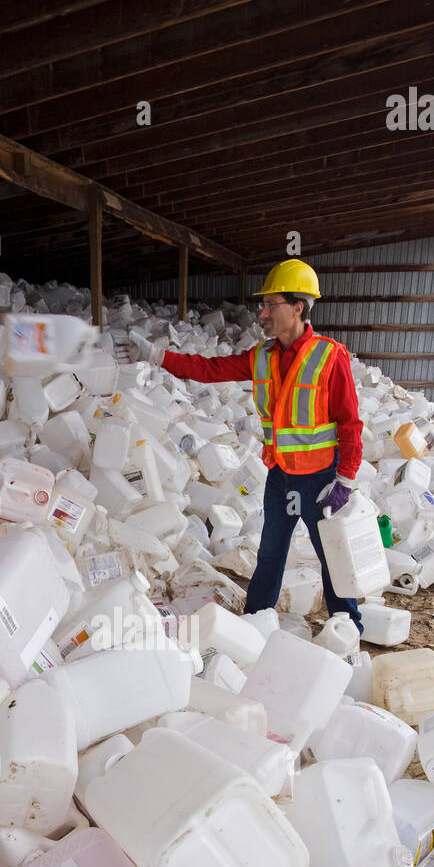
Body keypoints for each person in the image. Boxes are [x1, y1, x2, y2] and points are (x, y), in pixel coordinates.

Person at [124, 259, 364, 633]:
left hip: (318, 479)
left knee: (331, 553)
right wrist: (156, 356)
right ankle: (254, 623)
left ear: (297, 307)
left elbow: (350, 423)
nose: (262, 313)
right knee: (269, 553)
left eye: (271, 305)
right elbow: (209, 369)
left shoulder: (329, 357)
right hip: (281, 475)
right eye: (262, 305)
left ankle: (348, 627)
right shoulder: (263, 357)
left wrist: (345, 481)